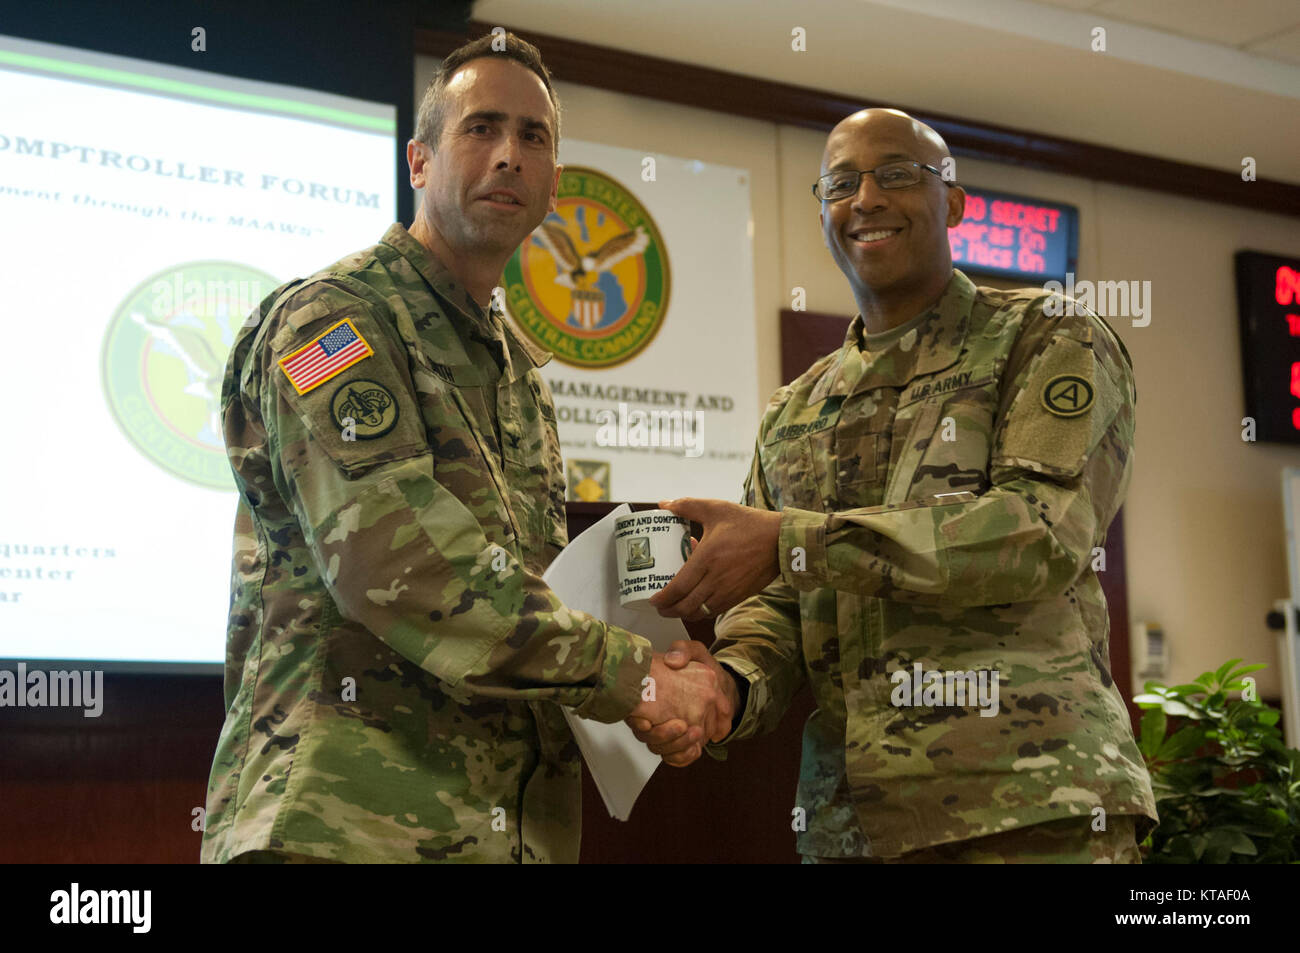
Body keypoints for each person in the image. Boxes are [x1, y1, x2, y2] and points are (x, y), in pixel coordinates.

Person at [201, 32, 732, 865]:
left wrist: (667, 671)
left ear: (556, 184)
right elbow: (401, 561)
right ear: (419, 161)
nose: (510, 157)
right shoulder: (334, 323)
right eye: (481, 128)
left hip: (506, 830)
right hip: (341, 827)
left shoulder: (521, 376)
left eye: (534, 137)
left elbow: (531, 591)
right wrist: (638, 677)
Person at [633, 108, 1158, 863]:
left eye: (898, 175)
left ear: (952, 201)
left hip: (1030, 810)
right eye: (841, 183)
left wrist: (794, 540)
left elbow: (1037, 534)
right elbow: (779, 602)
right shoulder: (795, 409)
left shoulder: (1049, 334)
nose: (867, 198)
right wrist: (728, 685)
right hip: (851, 827)